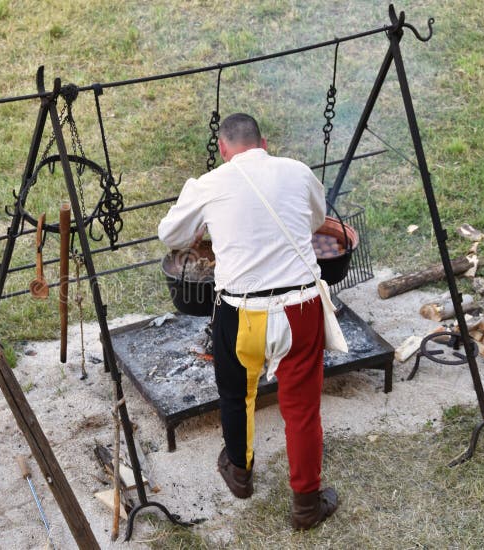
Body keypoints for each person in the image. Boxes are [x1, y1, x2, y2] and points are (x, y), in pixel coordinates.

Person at [157, 113, 338, 530]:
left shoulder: (209, 185)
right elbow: (315, 219)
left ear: (222, 149)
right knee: (303, 411)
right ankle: (306, 505)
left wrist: (200, 210)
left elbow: (170, 235)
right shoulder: (297, 171)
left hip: (242, 312)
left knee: (237, 394)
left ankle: (239, 473)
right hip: (301, 307)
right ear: (265, 143)